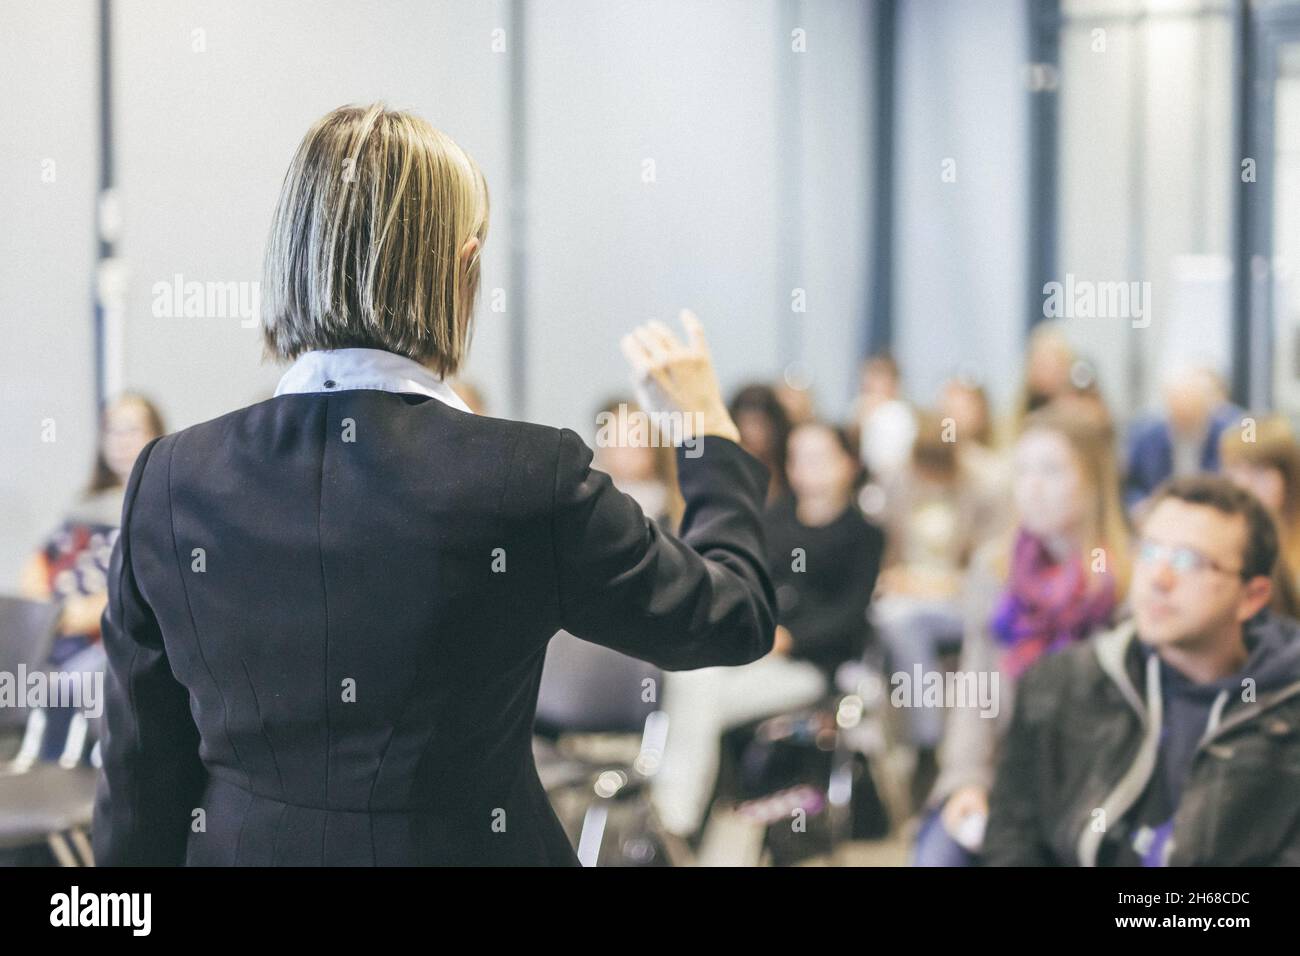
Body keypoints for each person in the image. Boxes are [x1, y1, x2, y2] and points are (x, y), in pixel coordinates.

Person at [91, 103, 778, 867]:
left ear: (291, 253)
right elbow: (732, 615)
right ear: (463, 265)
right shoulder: (528, 477)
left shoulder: (171, 480)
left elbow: (139, 774)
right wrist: (704, 432)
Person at [985, 475, 1300, 866]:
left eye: (1190, 561)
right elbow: (1012, 837)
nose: (1159, 579)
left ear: (1251, 597)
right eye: (1150, 552)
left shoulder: (1285, 711)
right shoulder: (1062, 682)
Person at [915, 404, 1129, 866]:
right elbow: (976, 690)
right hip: (1003, 779)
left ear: (1092, 480)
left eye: (1051, 471)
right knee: (937, 857)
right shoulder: (995, 569)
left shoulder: (1125, 581)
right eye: (1023, 470)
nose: (1032, 487)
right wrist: (966, 781)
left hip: (1094, 788)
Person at [652, 420, 884, 841]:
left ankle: (676, 819)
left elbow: (851, 615)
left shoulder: (863, 535)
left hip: (810, 666)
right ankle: (685, 816)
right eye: (798, 458)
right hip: (750, 650)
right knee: (687, 676)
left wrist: (791, 637)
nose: (806, 469)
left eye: (819, 458)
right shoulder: (772, 521)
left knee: (697, 694)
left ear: (848, 464)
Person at [20, 392, 165, 758]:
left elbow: (151, 584)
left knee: (82, 678)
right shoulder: (84, 506)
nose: (121, 441)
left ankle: (73, 776)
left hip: (110, 638)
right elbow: (38, 566)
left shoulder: (162, 503)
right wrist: (46, 616)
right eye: (112, 431)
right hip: (55, 634)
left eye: (132, 430)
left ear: (155, 433)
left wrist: (86, 613)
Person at [1123, 363, 1241, 515]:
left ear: (1207, 407)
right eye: (1177, 415)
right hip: (1161, 514)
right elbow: (1130, 484)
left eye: (1191, 415)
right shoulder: (1145, 434)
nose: (1184, 423)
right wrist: (1138, 505)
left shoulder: (1230, 430)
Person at [729, 383, 792, 505]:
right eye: (746, 425)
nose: (752, 433)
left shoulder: (789, 464)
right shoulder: (729, 470)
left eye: (760, 424)